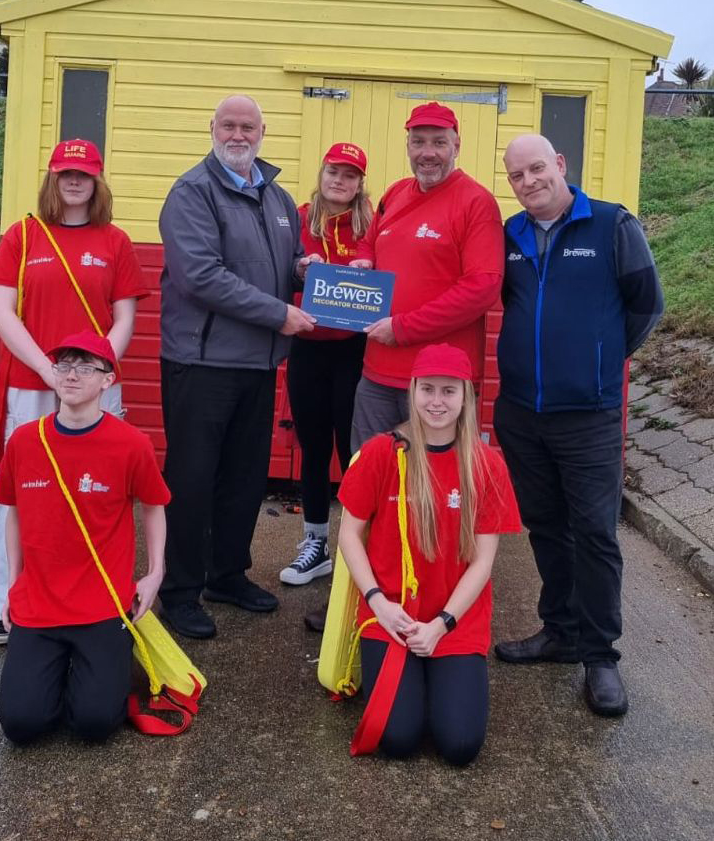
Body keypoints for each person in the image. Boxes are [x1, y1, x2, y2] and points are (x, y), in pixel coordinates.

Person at [492, 134, 664, 718]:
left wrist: (599, 359)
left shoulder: (612, 225)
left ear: (560, 165)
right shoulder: (510, 235)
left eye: (537, 168)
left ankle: (600, 656)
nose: (529, 181)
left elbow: (647, 305)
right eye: (517, 175)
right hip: (522, 413)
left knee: (594, 533)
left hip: (589, 415)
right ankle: (560, 632)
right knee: (545, 525)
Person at [157, 94, 316, 639]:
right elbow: (200, 276)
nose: (238, 135)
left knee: (245, 479)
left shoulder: (277, 196)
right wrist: (279, 314)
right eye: (229, 125)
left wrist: (304, 269)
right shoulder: (192, 192)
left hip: (257, 364)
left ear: (262, 132)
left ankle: (226, 575)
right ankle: (179, 591)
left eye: (248, 126)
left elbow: (283, 263)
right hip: (201, 362)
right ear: (213, 128)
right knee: (192, 479)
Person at [0, 138, 147, 646]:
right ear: (52, 179)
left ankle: (95, 598)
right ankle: (6, 599)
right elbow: (2, 312)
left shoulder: (115, 241)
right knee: (20, 495)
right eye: (66, 173)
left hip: (95, 387)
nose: (75, 181)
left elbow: (124, 318)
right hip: (31, 383)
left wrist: (95, 371)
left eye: (84, 174)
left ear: (97, 182)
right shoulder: (23, 236)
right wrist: (47, 368)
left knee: (98, 494)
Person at [336, 344, 521, 764]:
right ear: (413, 390)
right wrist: (378, 603)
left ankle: (437, 674)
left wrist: (442, 625)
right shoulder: (382, 453)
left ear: (466, 396)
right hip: (390, 616)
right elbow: (349, 534)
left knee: (460, 746)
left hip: (455, 621)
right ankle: (403, 676)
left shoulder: (487, 465)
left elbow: (483, 561)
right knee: (398, 739)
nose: (437, 401)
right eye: (428, 389)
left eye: (449, 391)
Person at [0, 331, 169, 745]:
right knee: (21, 724)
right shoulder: (25, 441)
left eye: (86, 367)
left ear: (108, 380)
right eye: (64, 365)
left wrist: (154, 573)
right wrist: (12, 585)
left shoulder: (131, 445)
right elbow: (13, 514)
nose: (71, 375)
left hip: (102, 604)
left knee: (94, 723)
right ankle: (61, 673)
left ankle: (95, 673)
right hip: (40, 604)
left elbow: (154, 505)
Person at [350, 101, 503, 450]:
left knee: (435, 477)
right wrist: (363, 262)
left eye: (439, 142)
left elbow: (482, 287)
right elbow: (369, 242)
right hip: (376, 374)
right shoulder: (395, 193)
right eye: (418, 142)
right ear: (407, 146)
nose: (427, 153)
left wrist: (404, 328)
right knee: (367, 469)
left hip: (440, 381)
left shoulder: (476, 202)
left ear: (456, 146)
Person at [280, 142, 373, 587]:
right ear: (321, 174)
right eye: (334, 171)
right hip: (308, 347)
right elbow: (279, 270)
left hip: (356, 350)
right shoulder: (299, 218)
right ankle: (315, 544)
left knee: (353, 452)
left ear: (359, 184)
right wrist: (299, 268)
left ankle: (359, 549)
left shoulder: (372, 224)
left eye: (350, 175)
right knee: (313, 448)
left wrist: (370, 263)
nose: (340, 180)